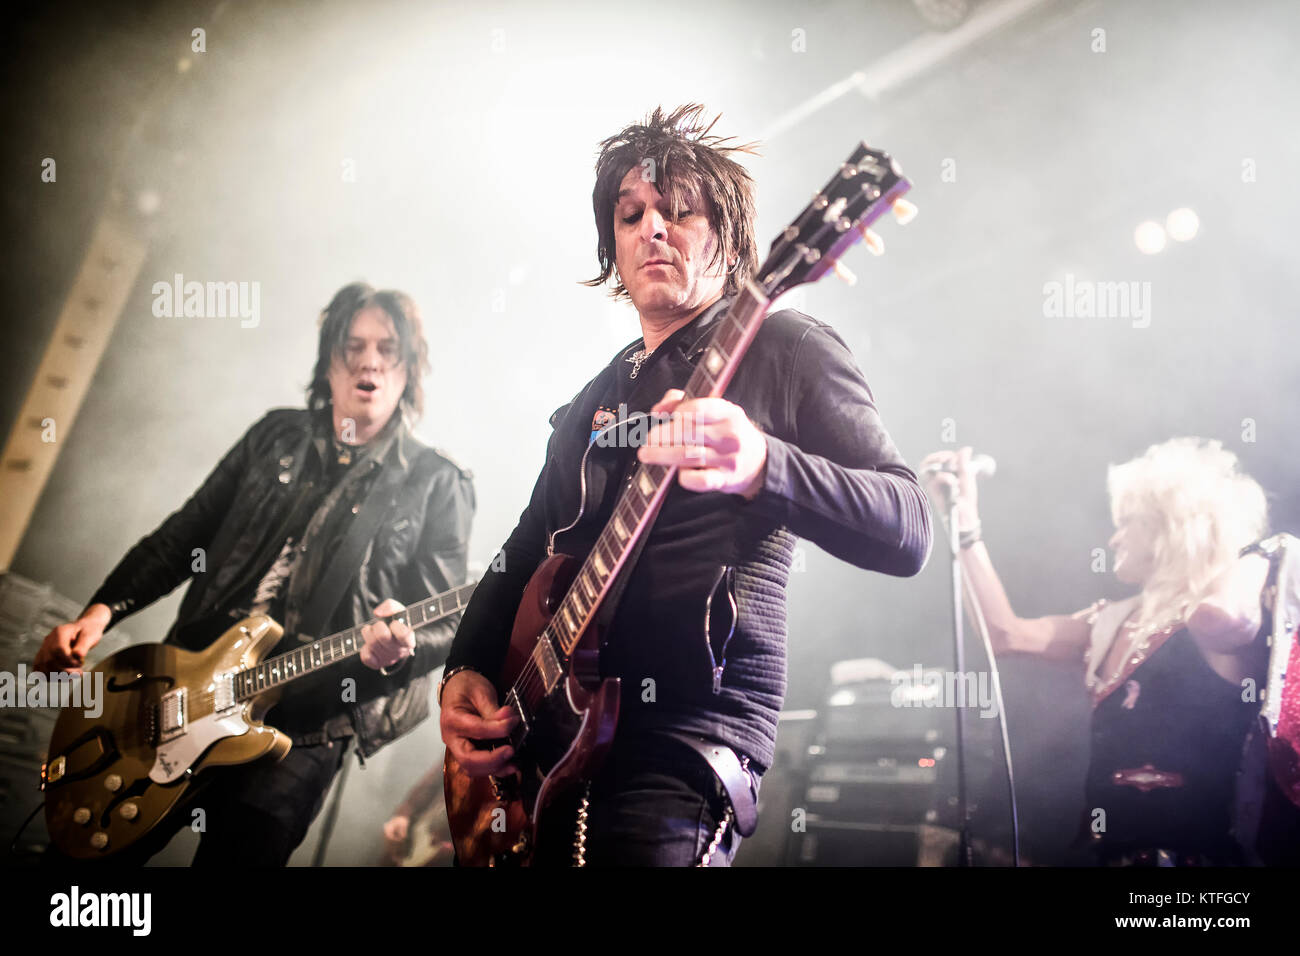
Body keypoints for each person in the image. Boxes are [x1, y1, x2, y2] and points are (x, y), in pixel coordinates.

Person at [430, 104, 932, 866]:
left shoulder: (786, 348)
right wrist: (463, 667)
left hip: (683, 748)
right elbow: (525, 547)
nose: (651, 228)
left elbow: (909, 524)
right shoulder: (593, 397)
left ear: (729, 238)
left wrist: (765, 464)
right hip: (543, 753)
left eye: (679, 211)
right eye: (630, 215)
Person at [34, 281, 475, 866]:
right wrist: (100, 611)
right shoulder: (275, 437)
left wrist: (399, 647)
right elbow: (184, 533)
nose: (369, 360)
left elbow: (449, 620)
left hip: (304, 729)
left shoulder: (436, 483)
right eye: (353, 345)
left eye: (387, 348)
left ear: (408, 366)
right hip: (184, 688)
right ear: (330, 361)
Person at [921, 439, 1272, 865]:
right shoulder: (1111, 622)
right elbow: (1004, 634)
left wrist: (1261, 553)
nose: (1113, 538)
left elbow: (1219, 617)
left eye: (1127, 523)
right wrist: (963, 523)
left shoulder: (1224, 610)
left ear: (1173, 527)